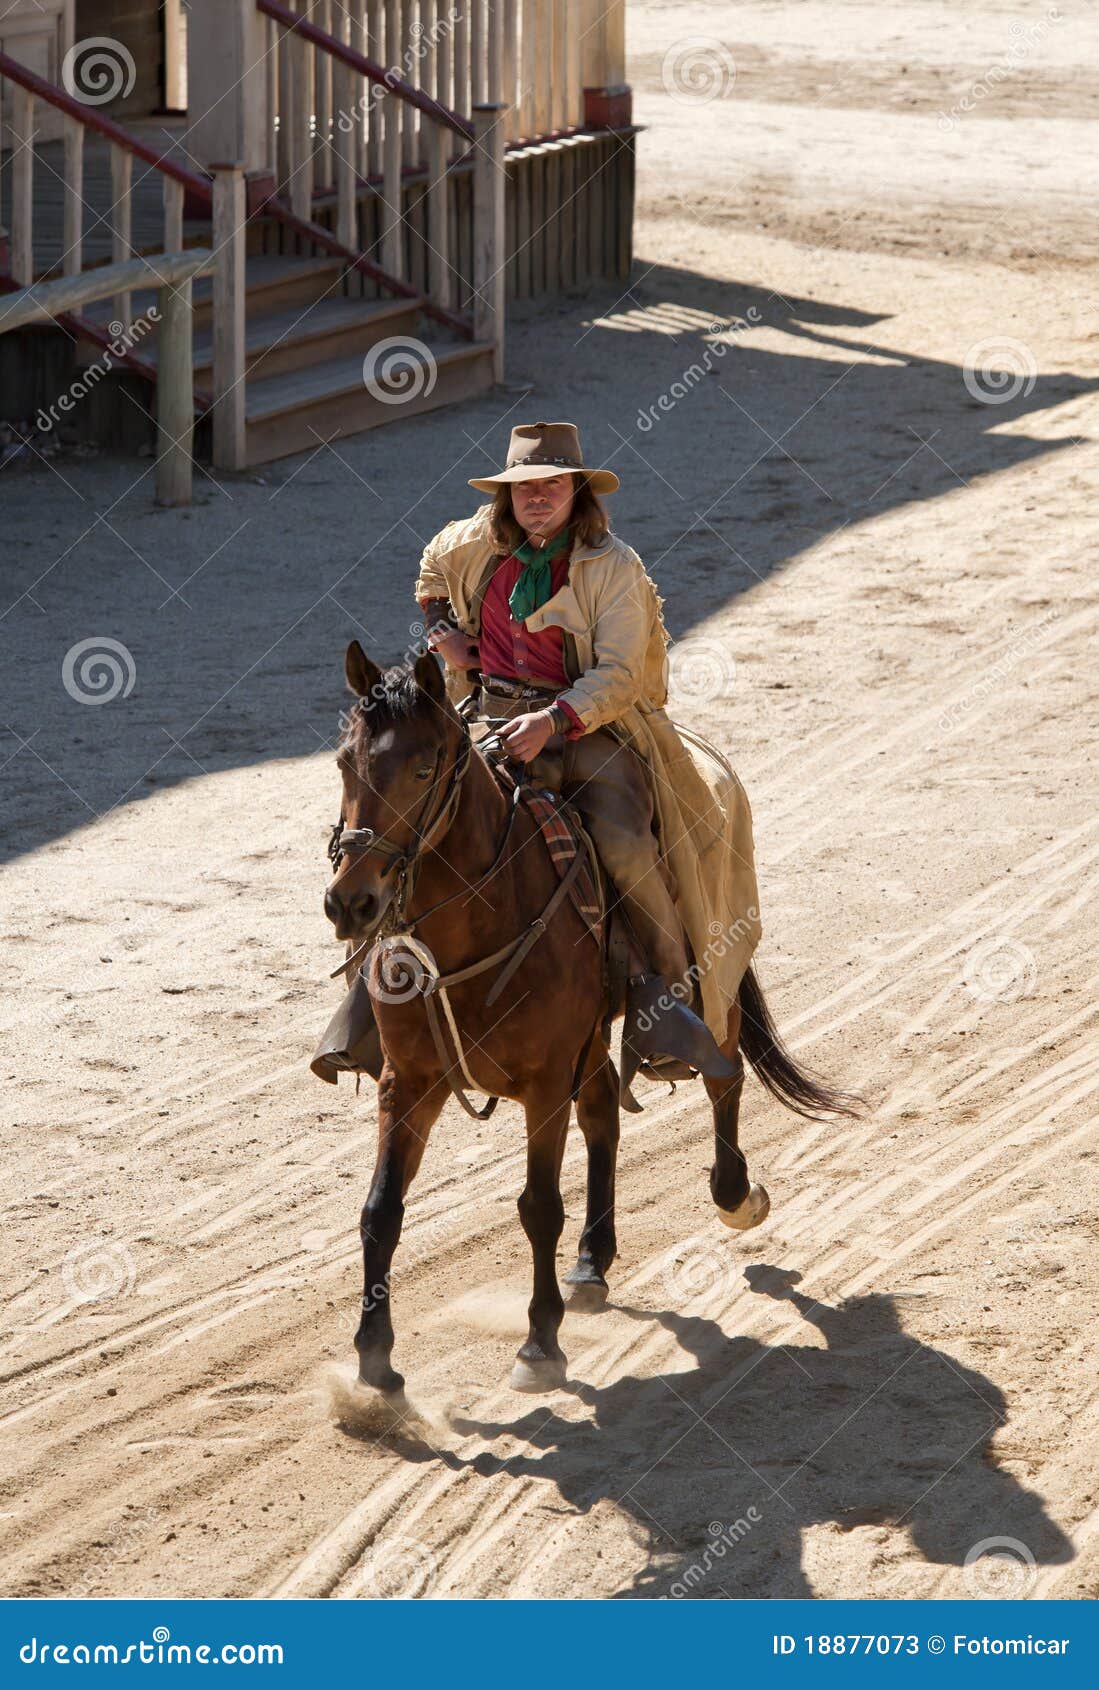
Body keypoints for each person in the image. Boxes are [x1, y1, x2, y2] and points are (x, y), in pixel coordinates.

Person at [414, 420, 754, 1079]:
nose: (536, 497)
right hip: (491, 718)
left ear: (576, 491)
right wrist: (441, 635)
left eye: (551, 484)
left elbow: (622, 674)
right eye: (523, 487)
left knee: (625, 844)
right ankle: (380, 1005)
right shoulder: (468, 545)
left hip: (589, 728)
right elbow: (430, 572)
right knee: (410, 823)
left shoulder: (613, 567)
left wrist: (553, 719)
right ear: (505, 496)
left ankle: (664, 999)